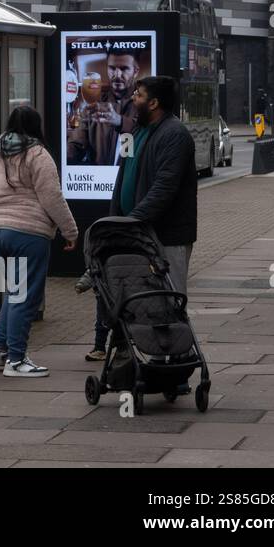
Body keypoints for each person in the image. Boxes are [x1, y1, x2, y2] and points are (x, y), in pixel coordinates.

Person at [87, 77, 198, 387]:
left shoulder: (175, 135)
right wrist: (114, 223)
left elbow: (163, 189)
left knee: (170, 301)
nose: (132, 98)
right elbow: (122, 177)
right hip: (136, 233)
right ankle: (147, 363)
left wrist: (130, 222)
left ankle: (177, 369)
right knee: (142, 302)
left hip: (167, 235)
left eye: (138, 95)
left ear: (154, 103)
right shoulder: (134, 130)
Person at [0, 106, 78, 377]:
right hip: (27, 233)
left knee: (14, 292)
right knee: (26, 296)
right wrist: (70, 231)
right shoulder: (37, 154)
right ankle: (17, 360)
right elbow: (51, 197)